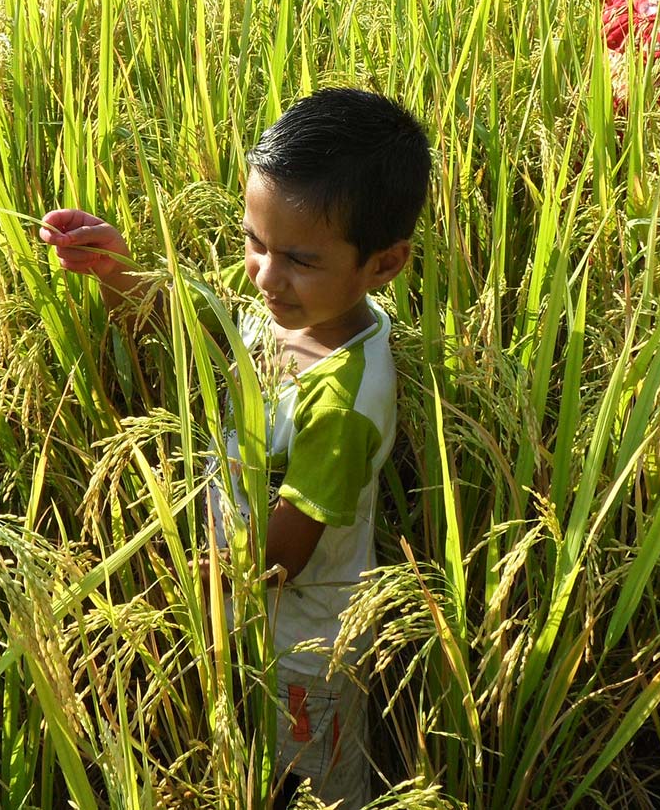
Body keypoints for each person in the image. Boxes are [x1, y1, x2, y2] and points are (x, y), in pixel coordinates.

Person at [40, 88, 432, 807]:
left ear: (384, 265)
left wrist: (192, 584)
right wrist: (114, 270)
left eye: (298, 259)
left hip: (308, 646)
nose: (262, 274)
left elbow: (287, 552)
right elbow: (191, 333)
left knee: (313, 779)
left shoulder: (343, 399)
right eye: (253, 242)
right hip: (247, 612)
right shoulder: (290, 301)